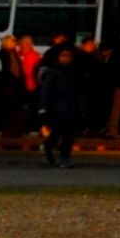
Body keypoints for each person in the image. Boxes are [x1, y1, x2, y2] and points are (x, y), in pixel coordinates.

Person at [40, 34, 93, 166]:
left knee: (69, 135)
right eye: (63, 55)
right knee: (56, 133)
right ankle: (48, 147)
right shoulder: (53, 72)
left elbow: (80, 90)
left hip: (71, 107)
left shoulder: (75, 71)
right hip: (56, 108)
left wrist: (82, 106)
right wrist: (43, 107)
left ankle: (65, 157)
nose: (66, 58)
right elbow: (46, 91)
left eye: (68, 56)